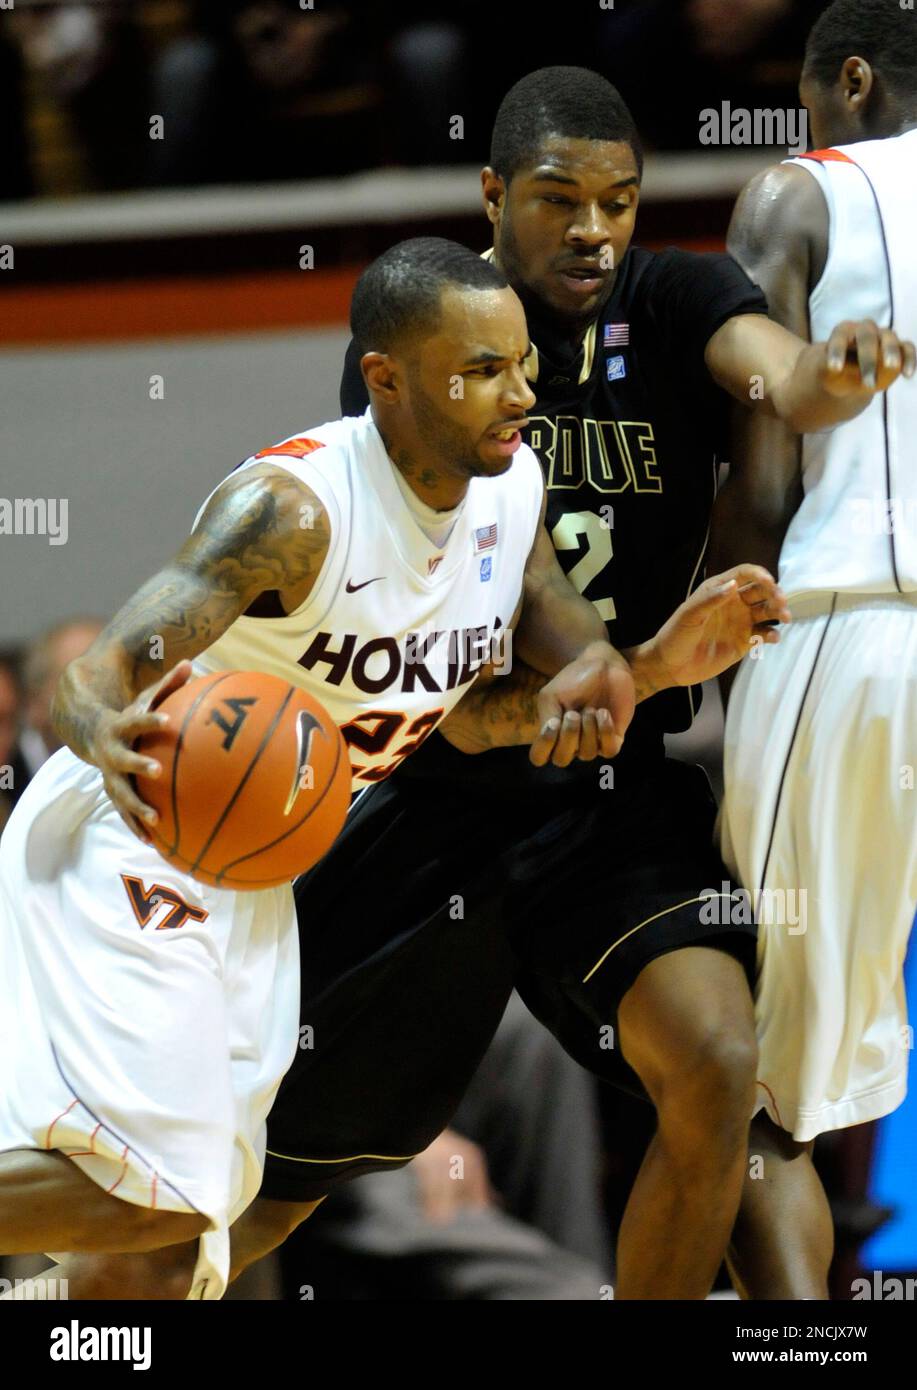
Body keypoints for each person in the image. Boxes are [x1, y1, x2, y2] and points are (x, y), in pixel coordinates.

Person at [139, 65, 912, 1303]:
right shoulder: (433, 333)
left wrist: (835, 370)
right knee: (271, 1175)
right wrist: (624, 667)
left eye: (619, 199)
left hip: (609, 799)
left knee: (728, 1073)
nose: (593, 229)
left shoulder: (673, 299)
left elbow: (779, 370)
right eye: (559, 199)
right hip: (439, 792)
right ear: (493, 194)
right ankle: (97, 1305)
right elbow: (494, 630)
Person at [0, 234, 783, 1302]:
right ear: (387, 379)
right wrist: (110, 736)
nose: (522, 393)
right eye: (483, 370)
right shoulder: (292, 512)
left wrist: (644, 666)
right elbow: (92, 677)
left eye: (522, 364)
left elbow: (470, 720)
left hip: (256, 871)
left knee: (198, 1223)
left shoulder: (508, 490)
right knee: (164, 1191)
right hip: (141, 830)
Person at [710, 0, 917, 1299]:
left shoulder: (801, 190)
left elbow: (767, 478)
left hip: (853, 624)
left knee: (765, 1075)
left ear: (847, 81)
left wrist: (699, 636)